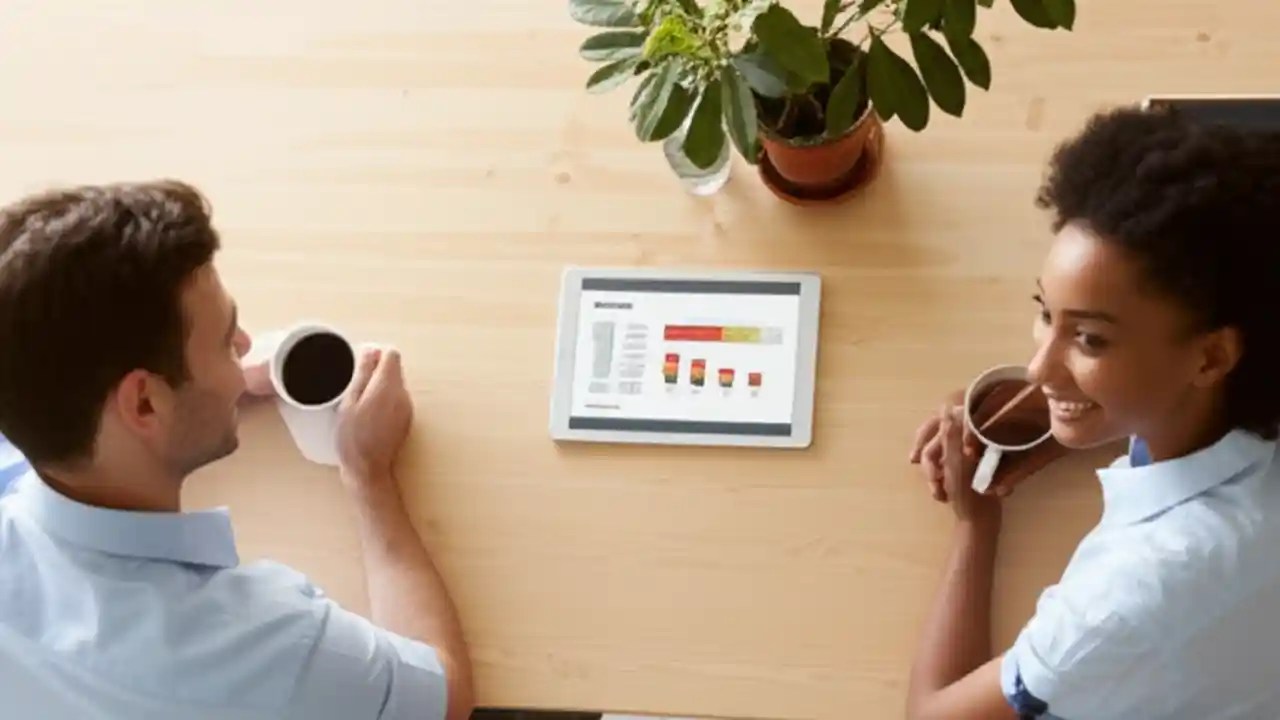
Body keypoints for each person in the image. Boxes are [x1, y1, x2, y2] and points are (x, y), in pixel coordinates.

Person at [0, 181, 474, 720]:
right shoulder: (260, 650)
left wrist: (207, 388)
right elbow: (444, 697)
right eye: (227, 338)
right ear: (145, 405)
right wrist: (369, 474)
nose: (249, 344)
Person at [903, 105, 1280, 719]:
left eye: (1091, 339)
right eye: (1046, 312)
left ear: (1211, 356)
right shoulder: (1245, 387)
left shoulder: (1128, 595)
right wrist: (1068, 423)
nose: (1035, 370)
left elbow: (931, 716)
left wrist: (977, 523)